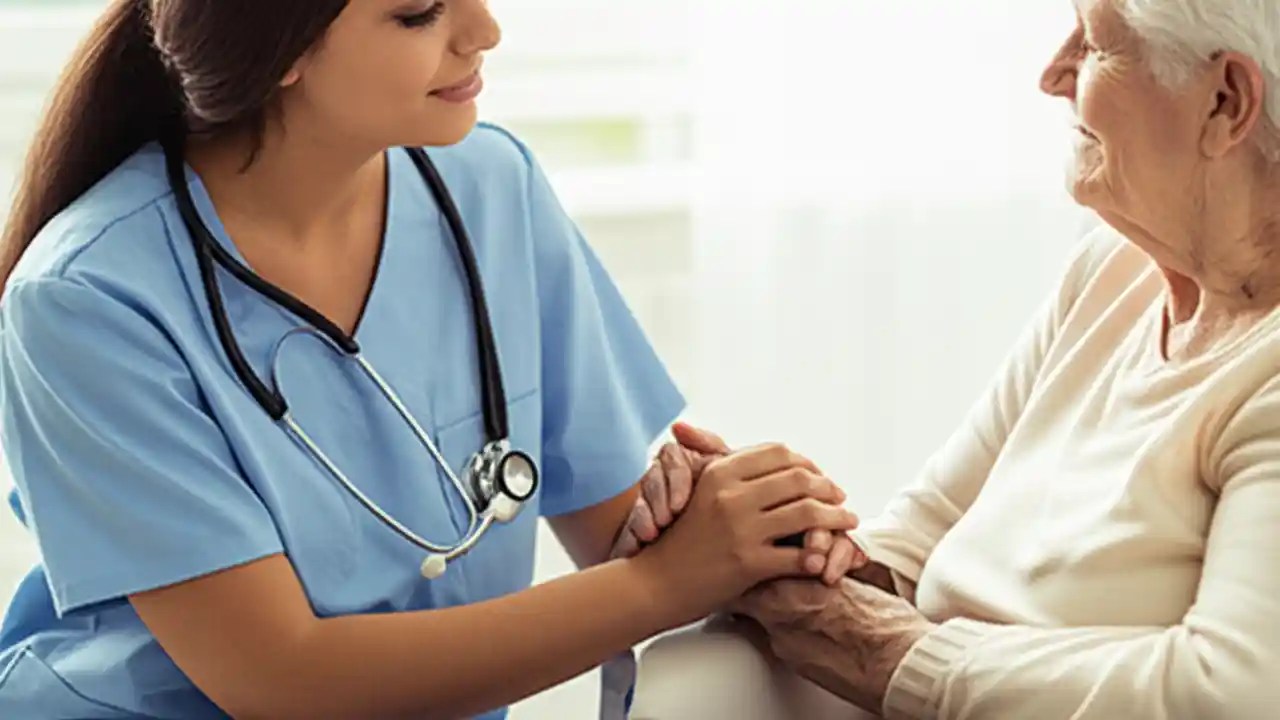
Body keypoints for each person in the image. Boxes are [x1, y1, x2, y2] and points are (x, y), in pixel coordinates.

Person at [0, 1, 866, 718]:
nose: (485, 29)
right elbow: (280, 679)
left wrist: (750, 523)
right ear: (279, 45)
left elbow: (621, 533)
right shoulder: (87, 297)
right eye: (419, 13)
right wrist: (664, 585)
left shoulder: (490, 186)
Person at [618, 0, 1280, 718]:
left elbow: (1229, 694)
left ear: (1226, 102)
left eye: (1093, 46)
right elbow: (923, 543)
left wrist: (882, 652)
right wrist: (771, 534)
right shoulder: (1113, 274)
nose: (1053, 75)